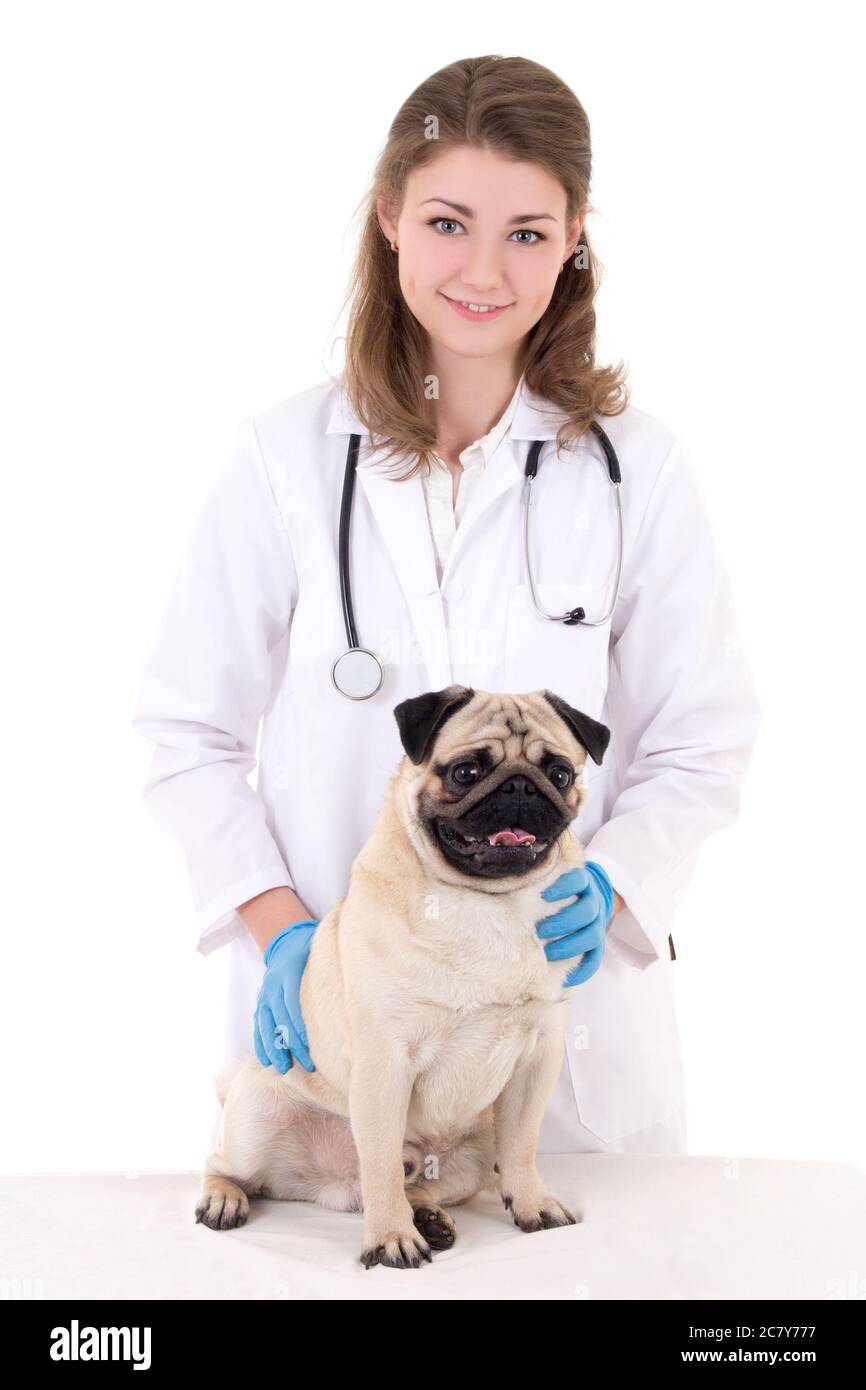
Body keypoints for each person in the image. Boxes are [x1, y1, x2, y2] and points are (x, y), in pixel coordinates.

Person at [132, 54, 761, 1156]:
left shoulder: (636, 471)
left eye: (525, 231)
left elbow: (701, 736)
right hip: (340, 1047)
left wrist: (615, 883)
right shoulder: (284, 461)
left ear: (573, 239)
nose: (482, 269)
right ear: (386, 218)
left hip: (557, 1068)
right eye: (445, 221)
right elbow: (184, 734)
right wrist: (283, 933)